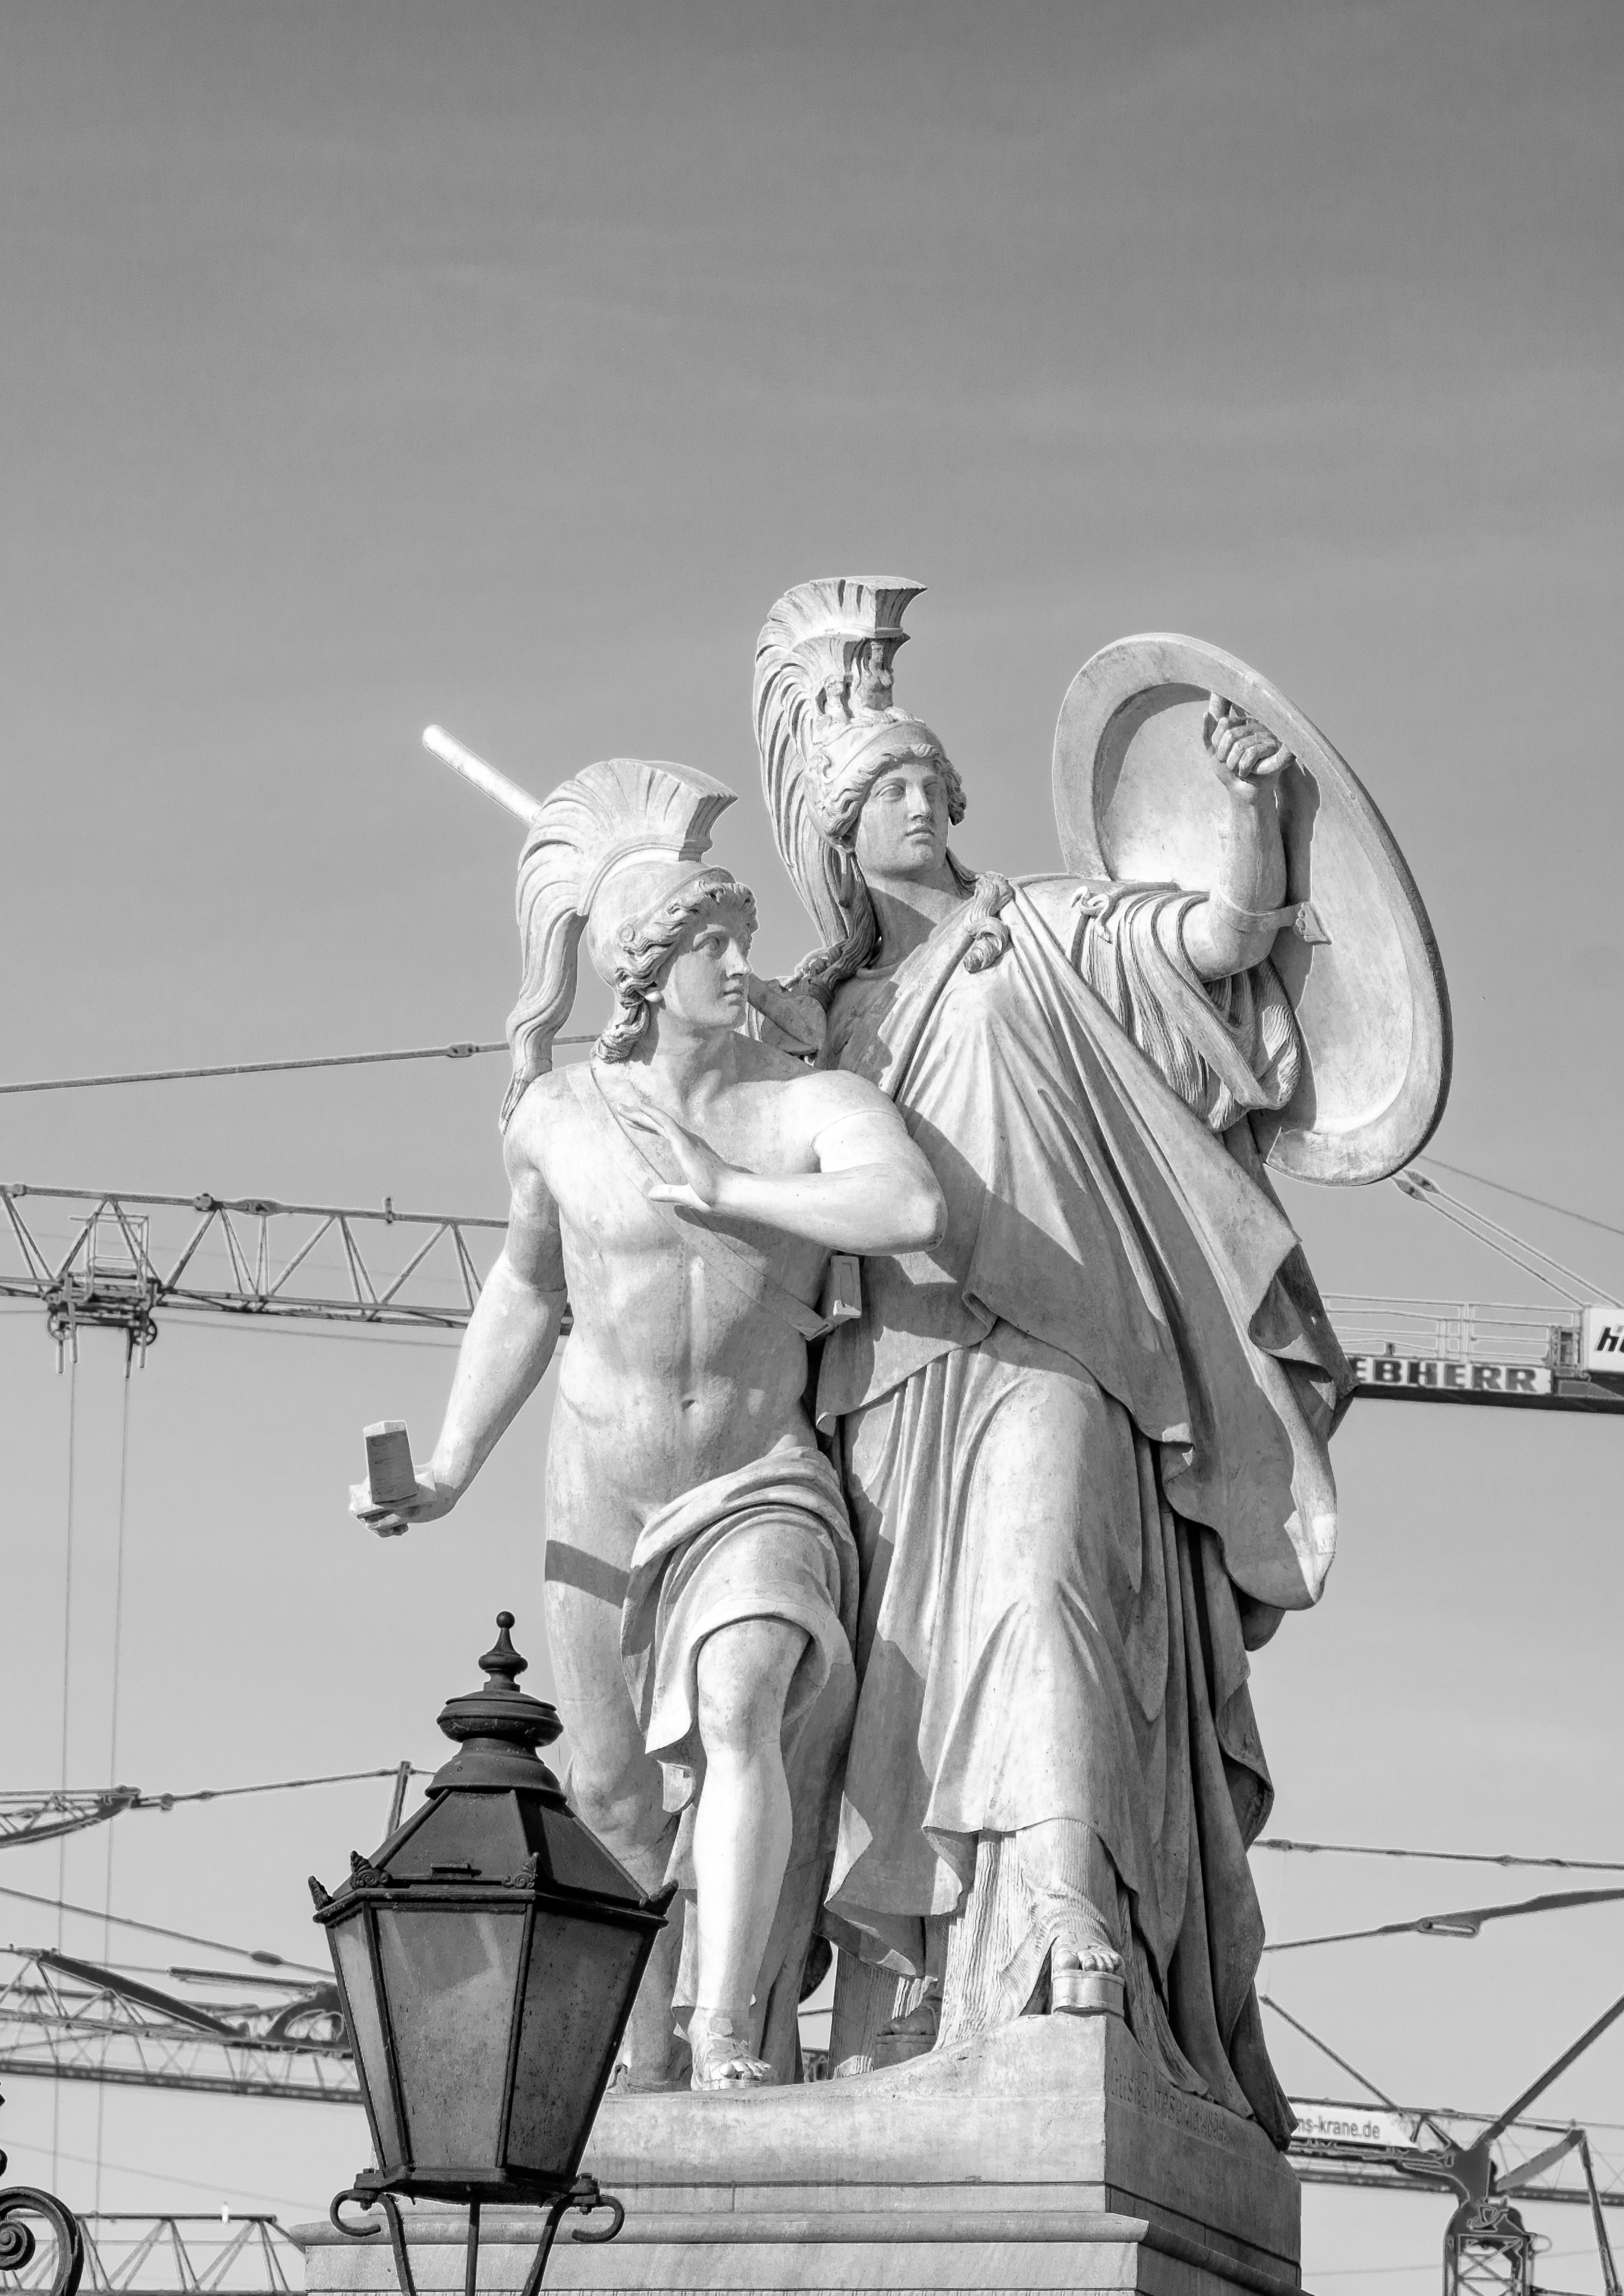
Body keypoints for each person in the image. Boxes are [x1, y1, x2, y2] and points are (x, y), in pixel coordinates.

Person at [747, 578, 1349, 2143]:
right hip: (888, 1381)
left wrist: (1248, 811)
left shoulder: (1049, 933)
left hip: (1066, 1344)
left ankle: (1061, 1907)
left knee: (1037, 1591)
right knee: (897, 1679)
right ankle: (913, 1991)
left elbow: (1217, 938)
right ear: (837, 833)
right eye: (885, 785)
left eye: (929, 778)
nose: (919, 799)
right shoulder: (820, 1019)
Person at [354, 757, 942, 2090]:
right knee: (616, 1804)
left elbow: (907, 1208)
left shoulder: (807, 1107)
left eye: (741, 936)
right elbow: (527, 1288)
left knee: (741, 1704)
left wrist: (732, 1188)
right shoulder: (557, 1118)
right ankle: (640, 2066)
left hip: (757, 1476)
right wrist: (448, 1466)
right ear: (643, 968)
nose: (739, 963)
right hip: (602, 1490)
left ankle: (730, 2034)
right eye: (709, 944)